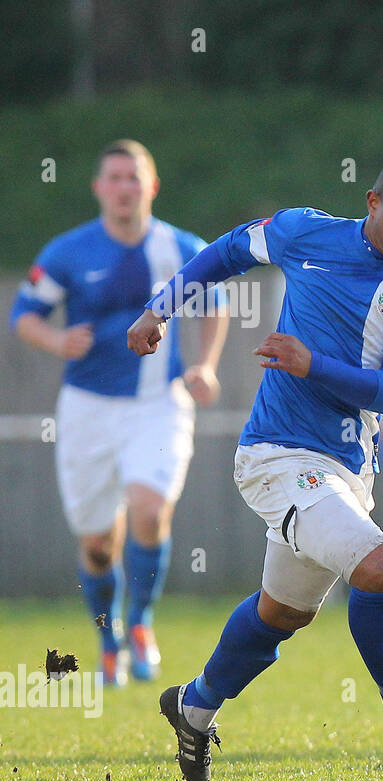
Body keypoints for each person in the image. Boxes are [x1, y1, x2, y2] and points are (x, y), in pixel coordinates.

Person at [128, 155, 383, 781]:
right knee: (376, 564)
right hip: (276, 455)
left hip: (345, 470)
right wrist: (160, 309)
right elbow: (229, 251)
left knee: (282, 613)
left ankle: (193, 706)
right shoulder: (303, 233)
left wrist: (312, 364)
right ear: (372, 203)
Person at [9, 139, 228, 686]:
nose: (125, 187)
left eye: (135, 178)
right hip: (86, 409)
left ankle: (142, 623)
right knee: (97, 544)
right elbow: (24, 314)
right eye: (115, 178)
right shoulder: (69, 251)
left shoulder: (181, 248)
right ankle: (107, 639)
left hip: (159, 404)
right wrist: (58, 342)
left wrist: (203, 365)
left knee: (150, 511)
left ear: (151, 186)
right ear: (98, 188)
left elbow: (216, 303)